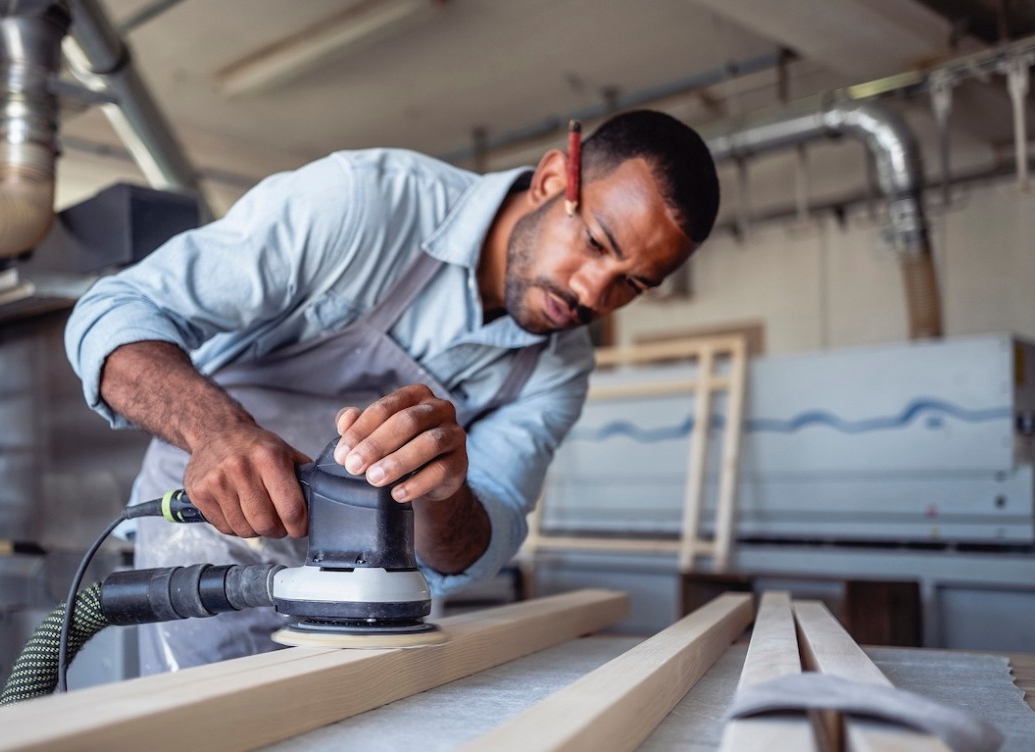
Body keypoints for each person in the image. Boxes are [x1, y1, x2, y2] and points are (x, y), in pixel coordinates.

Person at [64, 109, 720, 674]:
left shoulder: (557, 369)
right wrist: (218, 432)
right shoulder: (366, 203)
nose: (592, 294)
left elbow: (473, 548)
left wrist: (445, 495)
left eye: (633, 284)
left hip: (370, 594)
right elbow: (117, 309)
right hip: (216, 542)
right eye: (597, 243)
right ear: (553, 180)